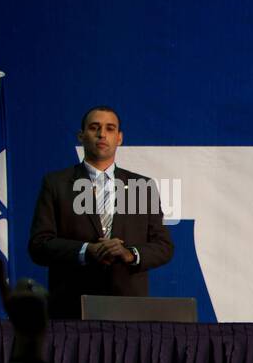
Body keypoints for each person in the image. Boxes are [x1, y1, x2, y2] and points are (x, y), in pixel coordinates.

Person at [28, 106, 174, 319]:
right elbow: (39, 245)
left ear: (119, 138)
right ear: (81, 135)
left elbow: (163, 246)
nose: (102, 134)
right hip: (70, 308)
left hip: (129, 310)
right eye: (94, 127)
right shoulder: (55, 183)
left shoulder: (142, 186)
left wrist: (129, 253)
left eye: (110, 128)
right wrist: (86, 250)